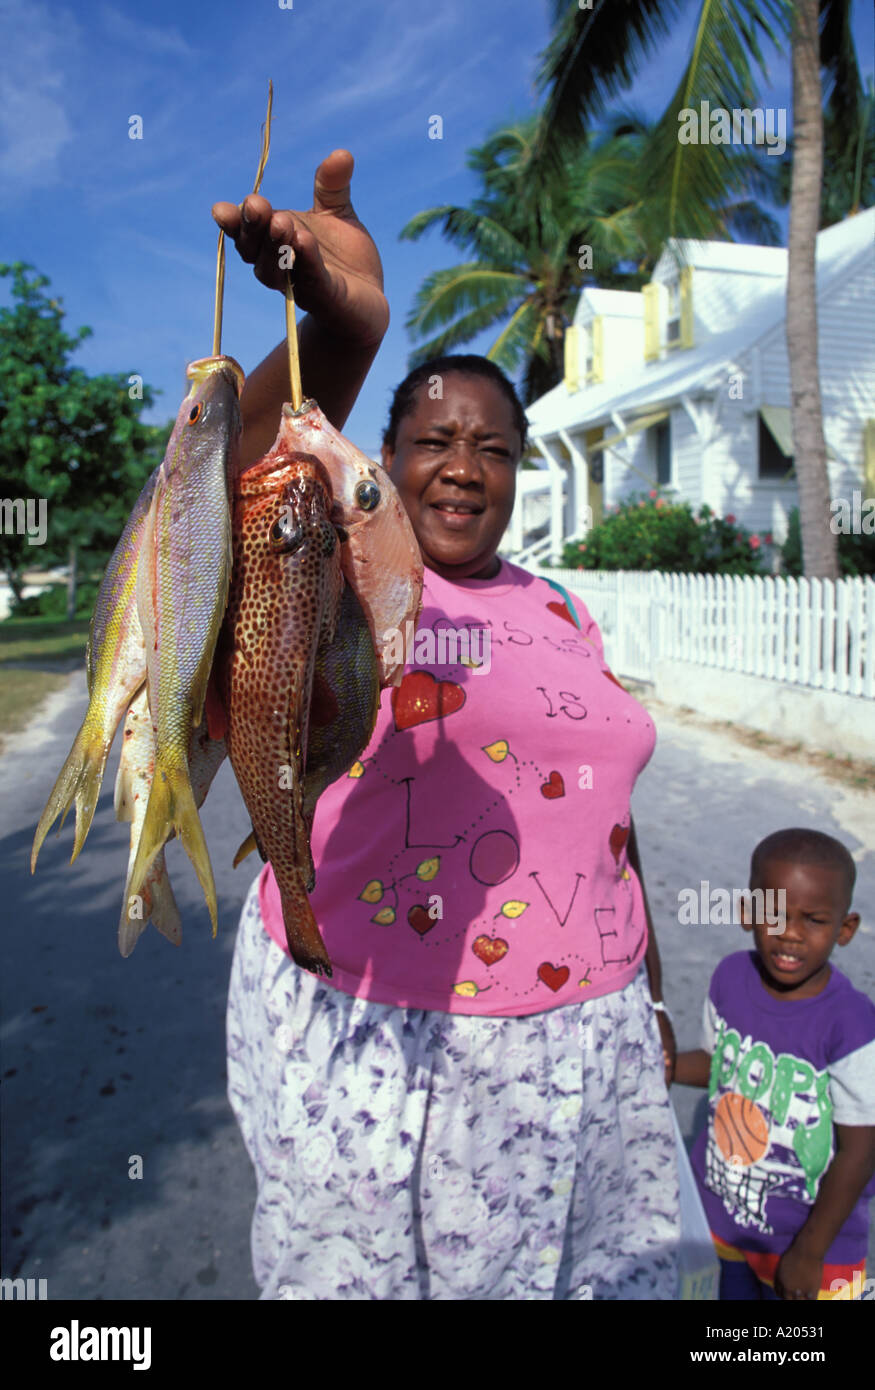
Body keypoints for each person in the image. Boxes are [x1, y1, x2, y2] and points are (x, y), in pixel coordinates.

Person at [212, 151, 682, 1301]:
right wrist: (341, 340)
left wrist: (651, 996)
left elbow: (601, 825)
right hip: (373, 1026)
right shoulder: (330, 569)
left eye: (493, 448)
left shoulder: (566, 609)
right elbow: (227, 479)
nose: (462, 467)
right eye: (430, 440)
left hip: (585, 1040)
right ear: (386, 457)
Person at [673, 827, 875, 1301]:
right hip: (723, 1221)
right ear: (748, 913)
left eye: (814, 920)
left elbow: (861, 1151)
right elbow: (721, 1064)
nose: (790, 932)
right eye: (775, 914)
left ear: (844, 929)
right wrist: (663, 1066)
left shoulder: (852, 1025)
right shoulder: (730, 978)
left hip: (814, 1244)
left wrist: (810, 1249)